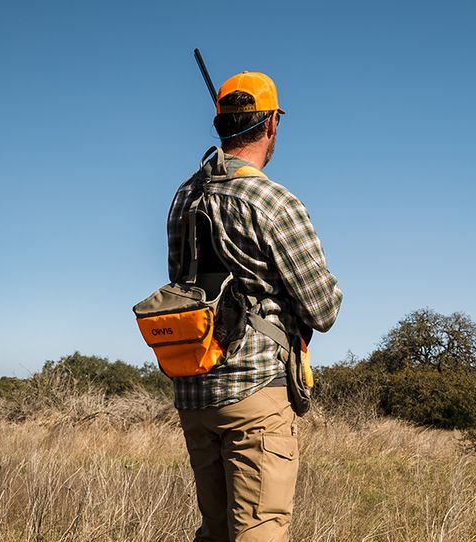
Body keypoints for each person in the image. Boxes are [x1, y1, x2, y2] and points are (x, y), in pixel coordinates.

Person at [165, 72, 343, 541]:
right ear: (271, 125)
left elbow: (182, 286)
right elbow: (323, 309)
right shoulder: (273, 201)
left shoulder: (183, 198)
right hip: (255, 390)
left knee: (216, 531)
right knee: (259, 532)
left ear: (220, 125)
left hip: (194, 391)